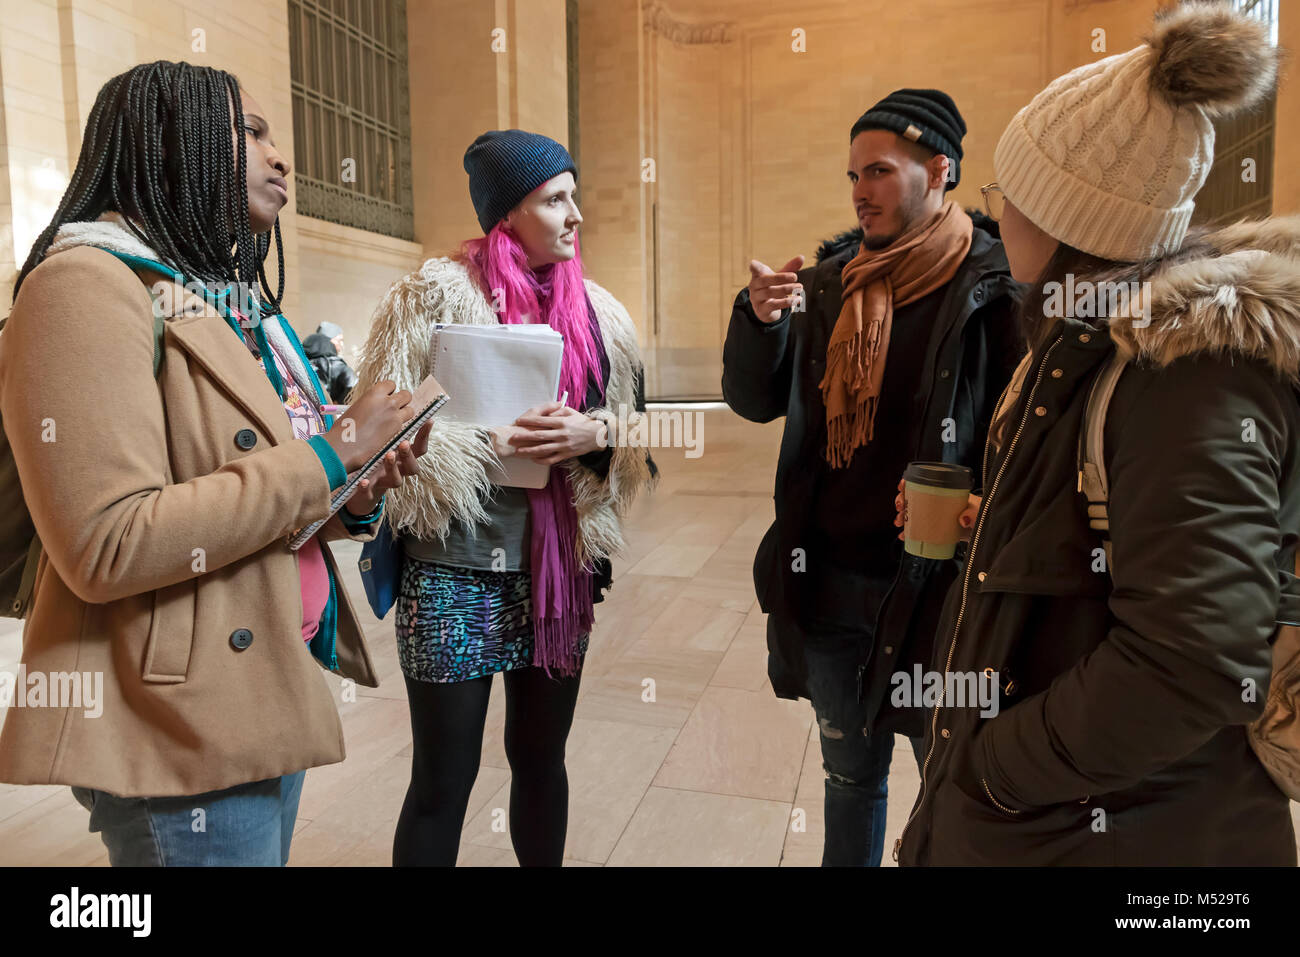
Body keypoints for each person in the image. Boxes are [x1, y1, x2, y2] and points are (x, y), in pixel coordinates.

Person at [896, 1, 1298, 866]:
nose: (1000, 219)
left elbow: (1194, 660)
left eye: (1012, 198)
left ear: (1069, 219)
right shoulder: (1094, 338)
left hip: (1122, 831)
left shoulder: (1183, 376)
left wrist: (999, 768)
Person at [0, 61, 430, 866]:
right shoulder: (81, 287)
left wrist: (352, 488)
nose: (281, 157)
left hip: (263, 684)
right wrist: (329, 452)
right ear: (175, 141)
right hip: (178, 724)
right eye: (253, 132)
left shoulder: (203, 295)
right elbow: (107, 541)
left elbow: (237, 497)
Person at [722, 90, 1023, 866]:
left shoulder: (997, 287)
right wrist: (760, 322)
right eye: (853, 174)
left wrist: (984, 504)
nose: (860, 190)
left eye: (880, 171)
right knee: (849, 778)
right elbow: (755, 401)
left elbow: (1027, 437)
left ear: (940, 170)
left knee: (948, 782)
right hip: (829, 584)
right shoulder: (829, 285)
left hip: (940, 593)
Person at [353, 129, 656, 867]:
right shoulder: (432, 296)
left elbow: (637, 436)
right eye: (554, 199)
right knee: (443, 778)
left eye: (574, 196)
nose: (575, 215)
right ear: (506, 213)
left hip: (557, 576)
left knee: (542, 761)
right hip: (451, 570)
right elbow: (373, 423)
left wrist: (594, 434)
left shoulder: (603, 315)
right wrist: (481, 445)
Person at [303, 330, 359, 404]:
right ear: (327, 342)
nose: (341, 345)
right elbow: (354, 384)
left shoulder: (304, 363)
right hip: (328, 410)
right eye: (339, 340)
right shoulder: (334, 364)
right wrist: (336, 403)